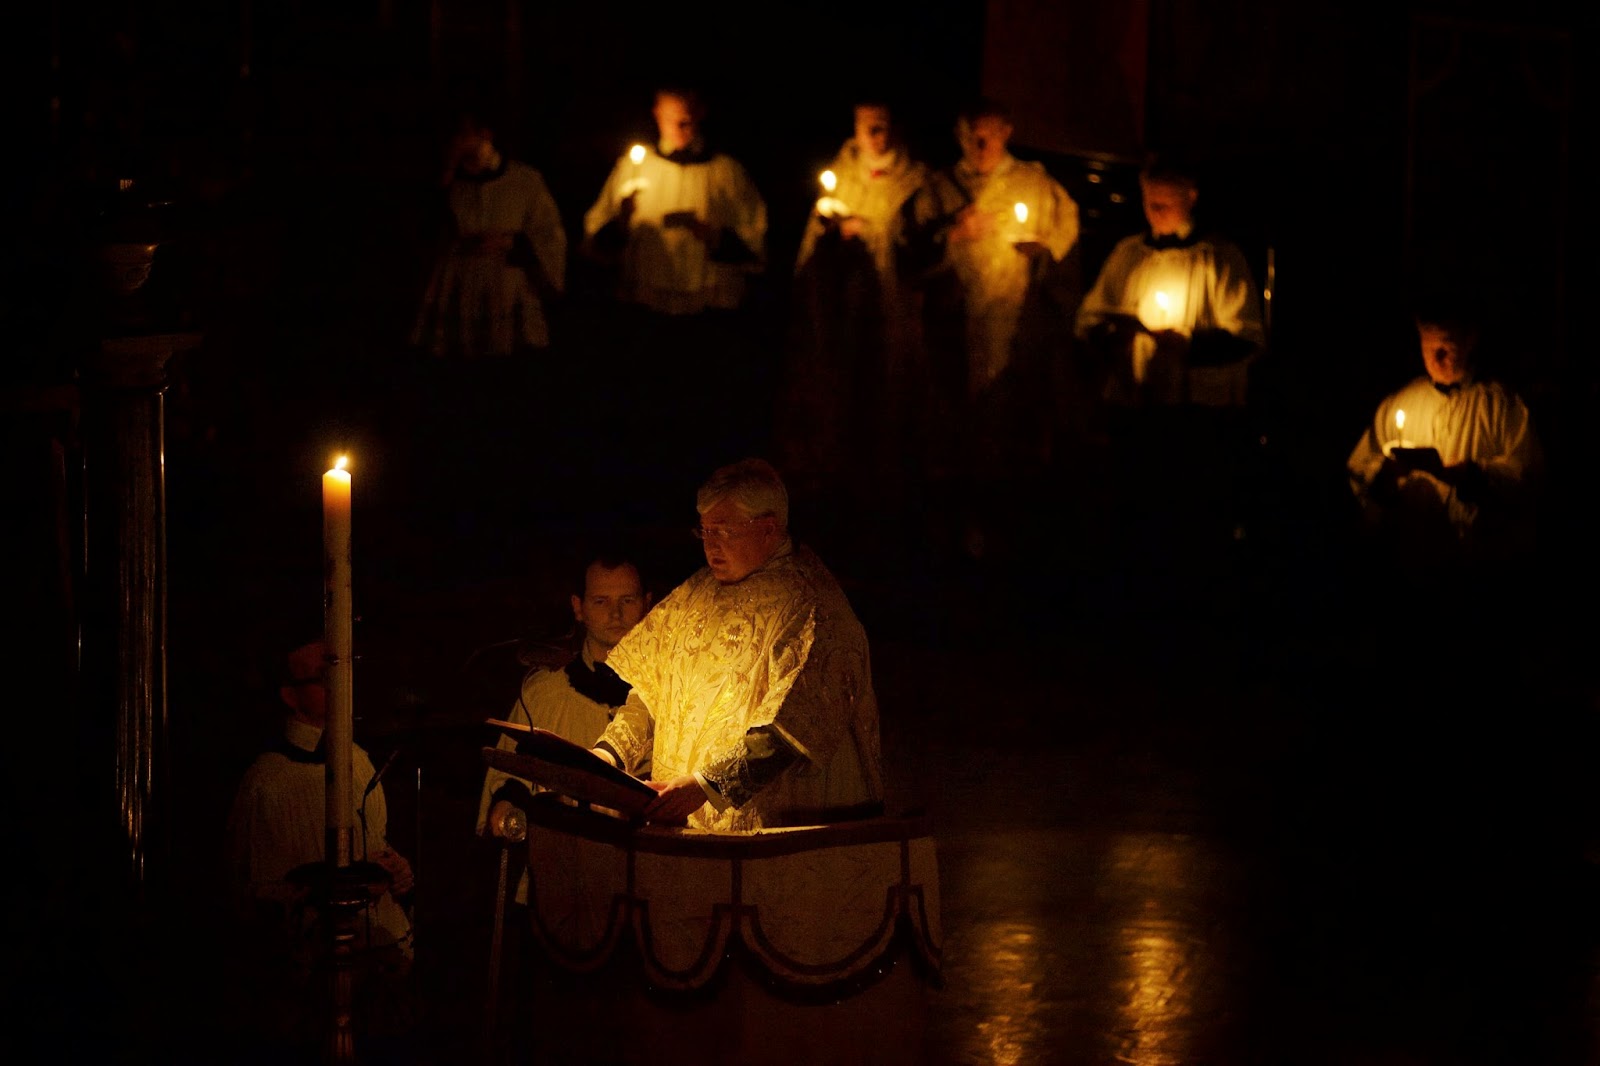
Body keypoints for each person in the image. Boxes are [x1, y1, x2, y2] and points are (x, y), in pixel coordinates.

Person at [590, 458, 884, 831]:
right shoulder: (695, 594)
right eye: (705, 531)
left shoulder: (815, 609)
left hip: (775, 836)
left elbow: (790, 734)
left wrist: (708, 786)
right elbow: (648, 698)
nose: (710, 545)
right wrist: (607, 756)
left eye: (725, 531)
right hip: (676, 820)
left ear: (768, 528)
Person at [223, 639, 415, 1059]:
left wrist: (395, 869)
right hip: (313, 974)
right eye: (324, 677)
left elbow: (375, 843)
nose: (338, 687)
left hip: (376, 961)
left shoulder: (358, 762)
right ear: (290, 696)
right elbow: (252, 893)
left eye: (341, 674)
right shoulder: (266, 784)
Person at [580, 86, 771, 481]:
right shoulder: (634, 169)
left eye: (688, 116)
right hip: (649, 308)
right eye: (673, 117)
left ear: (701, 114)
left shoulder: (725, 172)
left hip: (708, 310)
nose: (682, 125)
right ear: (657, 114)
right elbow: (596, 237)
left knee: (705, 408)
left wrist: (714, 235)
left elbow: (756, 238)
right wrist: (622, 221)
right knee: (649, 402)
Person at [903, 98, 1082, 463]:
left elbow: (1066, 238)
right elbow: (908, 255)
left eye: (990, 136)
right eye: (973, 137)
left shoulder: (1034, 183)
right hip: (953, 321)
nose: (981, 146)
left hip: (1015, 318)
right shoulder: (938, 187)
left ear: (1006, 133)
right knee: (955, 407)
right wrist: (953, 234)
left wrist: (1043, 251)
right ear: (959, 136)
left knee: (1010, 408)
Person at [776, 99, 928, 509]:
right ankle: (830, 475)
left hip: (890, 307)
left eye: (882, 125)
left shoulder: (914, 181)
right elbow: (812, 248)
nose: (876, 135)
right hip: (840, 306)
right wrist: (833, 233)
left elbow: (920, 245)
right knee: (837, 383)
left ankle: (883, 484)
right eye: (867, 127)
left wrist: (875, 233)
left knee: (885, 388)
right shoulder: (840, 176)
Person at [477, 549, 654, 857]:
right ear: (578, 607)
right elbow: (508, 781)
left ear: (646, 604)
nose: (616, 614)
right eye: (601, 601)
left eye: (627, 600)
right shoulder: (543, 694)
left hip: (646, 862)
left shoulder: (671, 693)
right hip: (560, 864)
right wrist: (509, 804)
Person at [1346, 298, 1542, 565]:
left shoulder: (1502, 406)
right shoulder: (1398, 404)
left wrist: (1465, 474)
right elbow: (1359, 472)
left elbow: (1528, 478)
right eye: (1427, 348)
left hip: (1479, 564)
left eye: (1445, 347)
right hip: (1414, 563)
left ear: (1470, 340)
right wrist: (1382, 477)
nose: (1435, 358)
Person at [1075, 154, 1265, 409]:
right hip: (1132, 401)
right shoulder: (1128, 254)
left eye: (1166, 203)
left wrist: (1187, 345)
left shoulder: (1219, 257)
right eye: (1150, 203)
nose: (1156, 212)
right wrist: (1114, 336)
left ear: (1190, 197)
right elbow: (1089, 321)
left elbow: (1246, 338)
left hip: (1198, 406)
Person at [411, 110, 567, 359]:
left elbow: (548, 234)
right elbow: (427, 233)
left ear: (484, 134)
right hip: (459, 288)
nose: (455, 142)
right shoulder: (449, 183)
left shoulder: (524, 180)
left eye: (462, 135)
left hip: (505, 289)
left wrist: (510, 242)